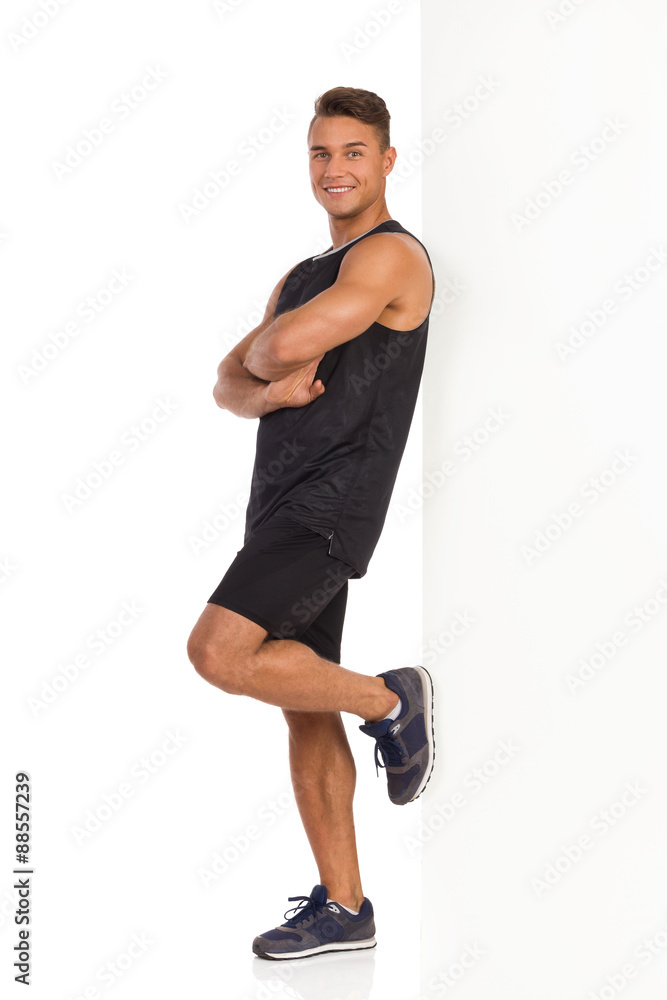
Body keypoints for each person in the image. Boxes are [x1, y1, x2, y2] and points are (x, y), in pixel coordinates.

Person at [187, 86, 436, 961]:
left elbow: (271, 350)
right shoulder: (300, 275)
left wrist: (262, 365)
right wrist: (260, 379)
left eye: (353, 152)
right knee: (299, 701)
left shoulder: (393, 258)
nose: (335, 169)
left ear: (387, 161)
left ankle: (391, 698)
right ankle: (345, 908)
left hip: (332, 504)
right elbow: (227, 382)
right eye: (321, 154)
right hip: (277, 503)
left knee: (217, 653)